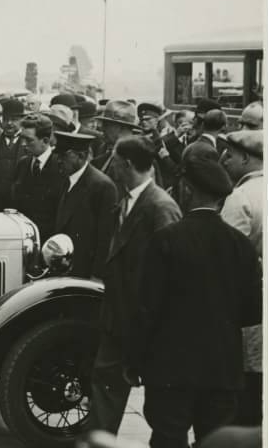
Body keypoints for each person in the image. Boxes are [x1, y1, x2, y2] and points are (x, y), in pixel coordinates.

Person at [127, 155, 261, 448]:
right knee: (214, 440)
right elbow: (253, 311)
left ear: (187, 189)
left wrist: (135, 361)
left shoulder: (165, 240)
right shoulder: (241, 246)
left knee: (168, 438)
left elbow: (146, 309)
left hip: (170, 368)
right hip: (222, 368)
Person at [91, 136, 182, 439]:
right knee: (105, 386)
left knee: (160, 408)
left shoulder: (160, 207)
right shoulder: (129, 200)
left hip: (144, 321)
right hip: (118, 317)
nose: (112, 168)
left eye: (116, 162)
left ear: (127, 164)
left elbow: (171, 272)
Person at [217, 130, 264, 427]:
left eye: (230, 155)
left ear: (246, 158)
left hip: (247, 313)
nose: (224, 160)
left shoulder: (241, 197)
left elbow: (226, 260)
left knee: (243, 397)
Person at [52, 131, 117, 280]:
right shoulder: (66, 179)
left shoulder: (102, 186)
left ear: (81, 156)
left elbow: (105, 238)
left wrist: (97, 275)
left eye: (63, 156)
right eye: (58, 156)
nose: (58, 161)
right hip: (65, 268)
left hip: (85, 272)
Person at [11, 114, 65, 241]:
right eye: (22, 138)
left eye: (29, 140)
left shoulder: (60, 168)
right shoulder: (22, 164)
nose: (23, 144)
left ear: (45, 140)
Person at [92, 100, 143, 197]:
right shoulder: (103, 158)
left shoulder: (141, 160)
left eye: (107, 124)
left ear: (121, 127)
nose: (102, 128)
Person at [138, 103, 182, 189]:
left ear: (157, 120)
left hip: (163, 183)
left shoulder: (162, 137)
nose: (144, 122)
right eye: (142, 120)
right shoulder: (139, 136)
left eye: (148, 119)